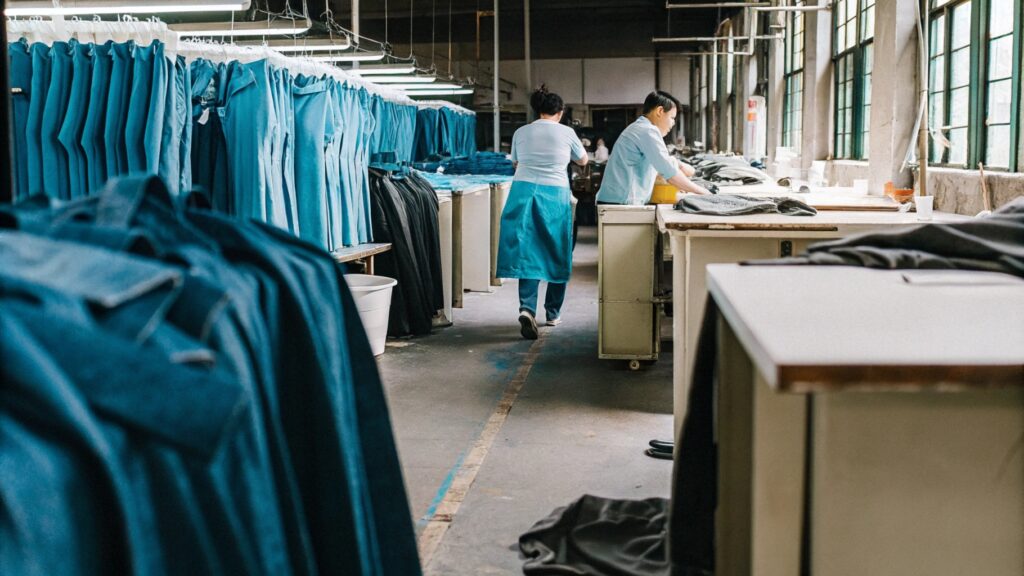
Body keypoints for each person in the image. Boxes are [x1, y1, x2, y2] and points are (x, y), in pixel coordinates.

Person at [497, 87, 589, 340]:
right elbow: (582, 161)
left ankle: (527, 308)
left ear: (539, 111)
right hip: (554, 195)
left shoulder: (521, 132)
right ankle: (552, 313)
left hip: (523, 191)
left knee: (527, 250)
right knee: (558, 250)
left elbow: (515, 163)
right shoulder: (567, 132)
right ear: (560, 113)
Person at [596, 91, 709, 205]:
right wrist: (704, 193)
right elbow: (670, 173)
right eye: (672, 117)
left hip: (615, 201)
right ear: (660, 111)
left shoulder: (639, 127)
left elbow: (663, 168)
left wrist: (680, 174)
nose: (673, 123)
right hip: (619, 204)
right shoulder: (648, 131)